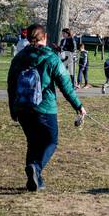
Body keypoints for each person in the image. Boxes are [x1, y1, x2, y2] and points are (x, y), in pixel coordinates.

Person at [8, 24, 86, 192]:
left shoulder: (19, 57)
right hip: (45, 108)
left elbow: (11, 84)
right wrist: (78, 106)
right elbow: (65, 85)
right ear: (44, 38)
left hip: (22, 107)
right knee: (51, 141)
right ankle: (36, 168)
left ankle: (35, 179)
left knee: (33, 142)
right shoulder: (51, 58)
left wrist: (12, 109)